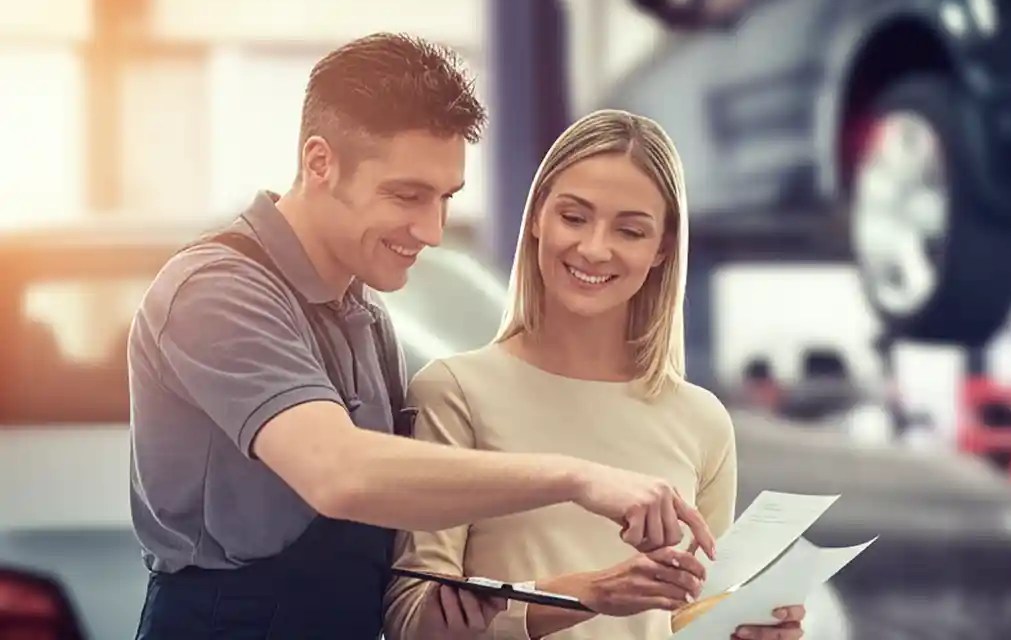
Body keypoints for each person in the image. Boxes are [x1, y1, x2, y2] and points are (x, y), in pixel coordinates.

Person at [127, 35, 715, 640]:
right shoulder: (215, 291)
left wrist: (566, 595)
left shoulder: (366, 315)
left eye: (446, 198)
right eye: (408, 196)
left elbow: (405, 578)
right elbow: (341, 474)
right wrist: (580, 478)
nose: (432, 230)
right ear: (320, 162)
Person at [384, 109, 807, 640]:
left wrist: (743, 633)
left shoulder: (702, 422)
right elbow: (410, 622)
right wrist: (589, 594)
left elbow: (688, 622)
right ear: (537, 217)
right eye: (574, 217)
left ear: (663, 249)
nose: (594, 248)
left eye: (630, 230)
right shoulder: (455, 393)